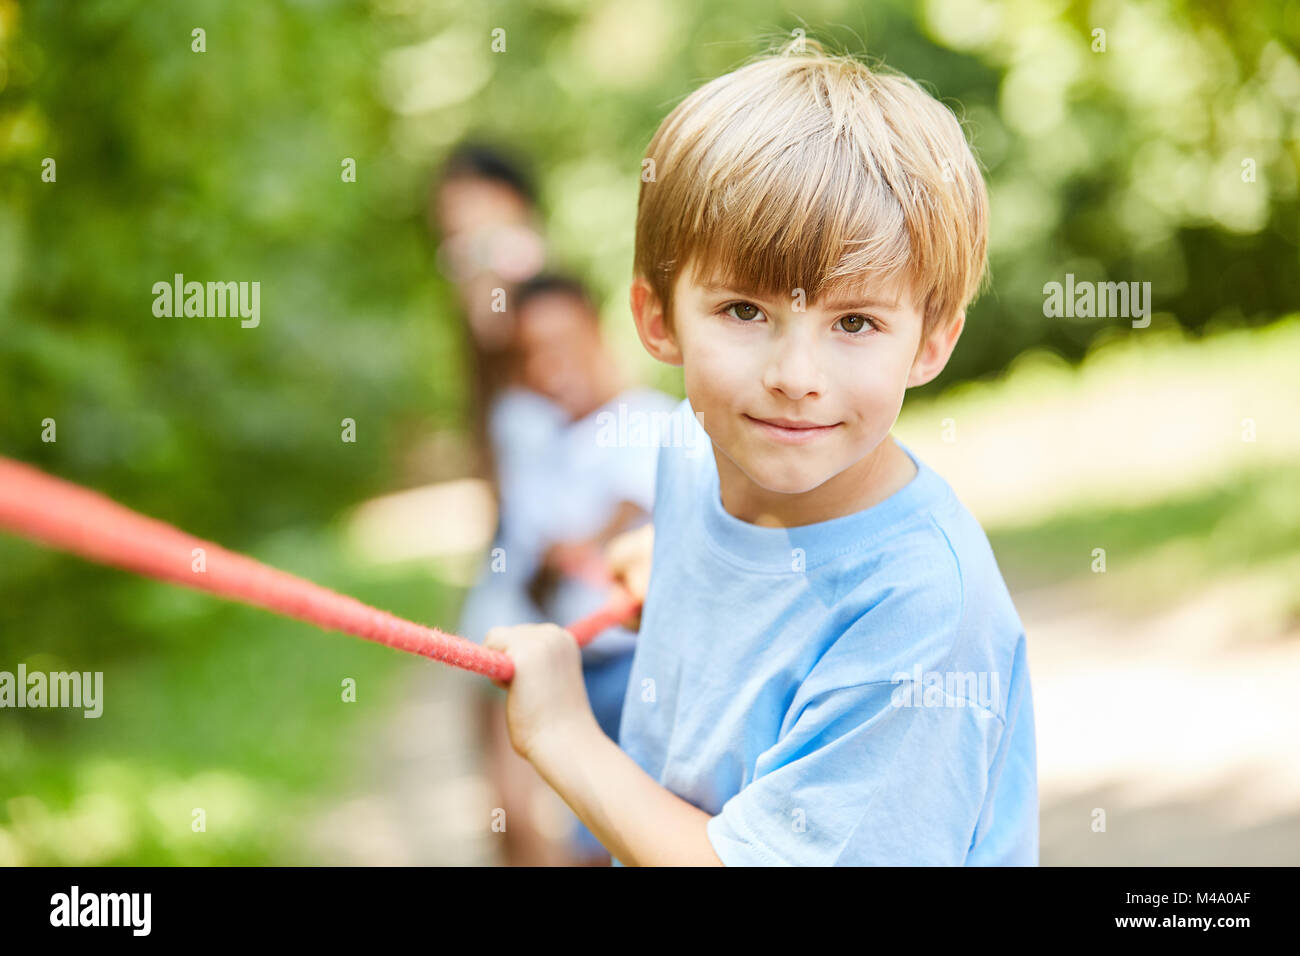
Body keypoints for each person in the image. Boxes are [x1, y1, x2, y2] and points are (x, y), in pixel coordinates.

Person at [480, 38, 1039, 865]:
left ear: (931, 341)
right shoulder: (693, 448)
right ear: (658, 316)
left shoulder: (922, 608)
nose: (794, 377)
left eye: (855, 323)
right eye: (744, 311)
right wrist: (678, 564)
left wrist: (566, 735)